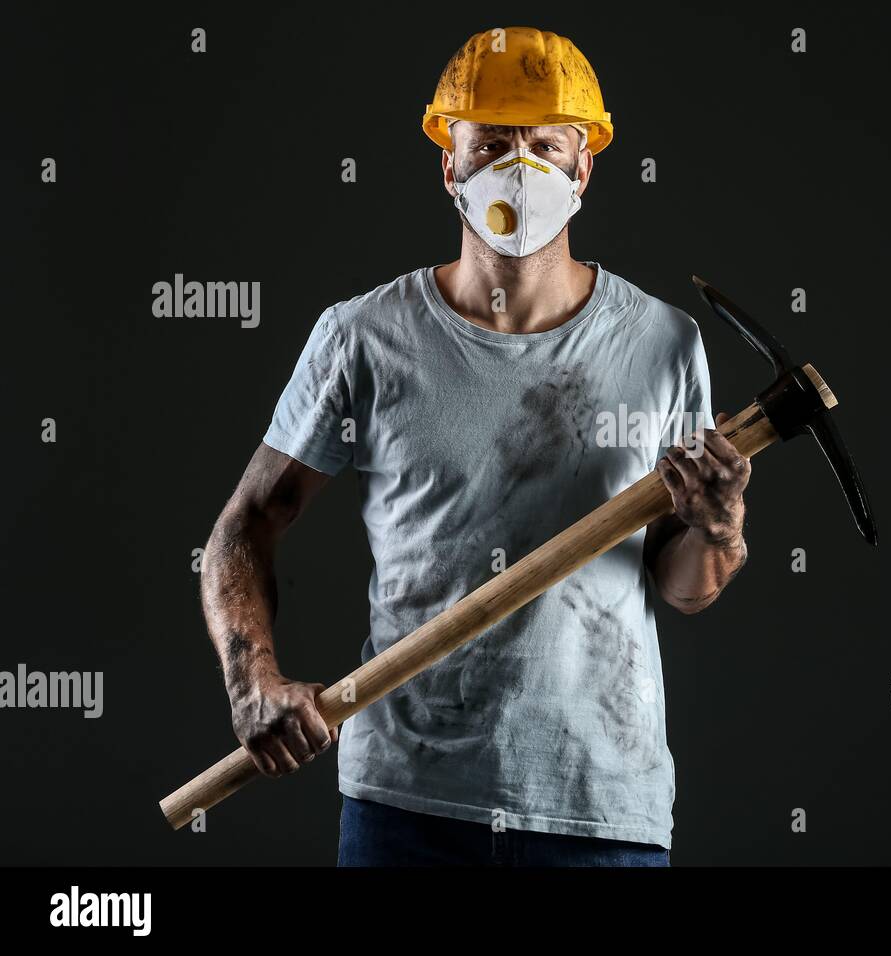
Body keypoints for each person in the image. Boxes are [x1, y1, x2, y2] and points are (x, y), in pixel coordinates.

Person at [200, 26, 749, 867]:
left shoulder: (663, 344)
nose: (518, 168)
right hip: (405, 806)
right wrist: (254, 684)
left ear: (585, 165)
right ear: (449, 166)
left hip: (601, 809)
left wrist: (717, 533)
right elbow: (242, 527)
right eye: (491, 144)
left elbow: (683, 592)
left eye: (544, 144)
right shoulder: (364, 338)